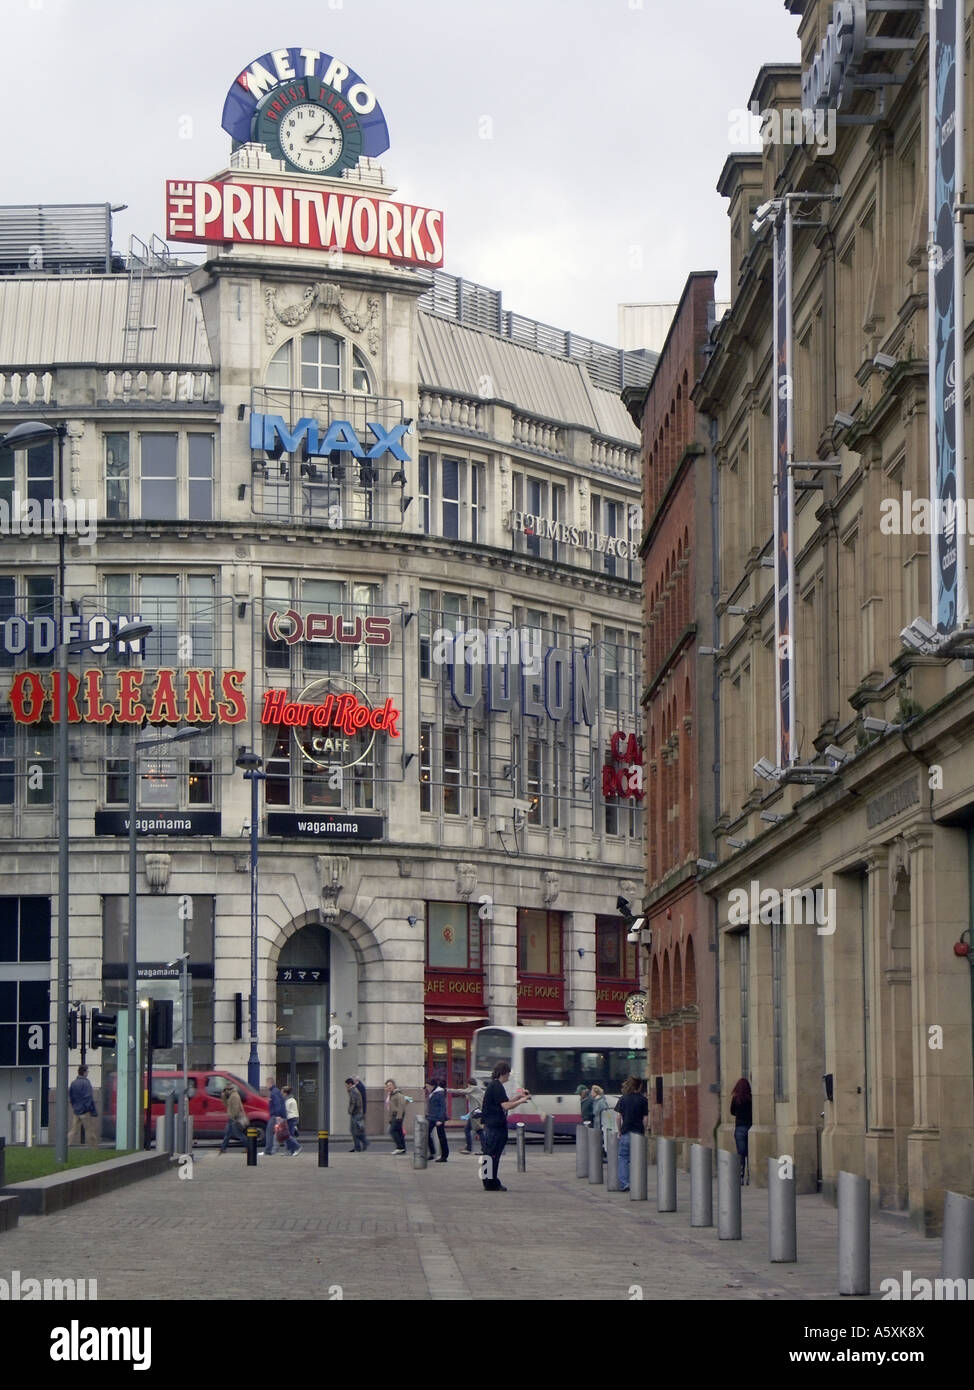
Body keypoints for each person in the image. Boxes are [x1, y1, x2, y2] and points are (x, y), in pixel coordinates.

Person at [480, 1061, 531, 1191]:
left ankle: (487, 1181)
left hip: (491, 1125)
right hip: (495, 1126)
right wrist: (522, 1100)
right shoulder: (497, 1086)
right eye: (508, 1073)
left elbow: (504, 1101)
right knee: (493, 1155)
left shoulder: (494, 1085)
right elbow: (506, 1106)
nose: (509, 1076)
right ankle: (492, 1183)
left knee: (488, 1154)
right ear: (504, 1073)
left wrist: (518, 1097)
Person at [614, 1076, 649, 1192]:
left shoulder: (623, 1098)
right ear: (639, 1086)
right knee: (637, 1158)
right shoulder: (643, 1100)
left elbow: (618, 1117)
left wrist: (619, 1131)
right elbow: (645, 1118)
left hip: (626, 1132)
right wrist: (644, 1130)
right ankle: (637, 1182)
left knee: (623, 1158)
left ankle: (625, 1183)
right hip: (638, 1133)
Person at [264, 1078, 300, 1156]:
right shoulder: (285, 1098)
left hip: (289, 1118)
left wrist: (278, 1115)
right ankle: (289, 1150)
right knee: (283, 1134)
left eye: (282, 1092)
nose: (281, 1093)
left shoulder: (288, 1100)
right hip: (286, 1117)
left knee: (285, 1134)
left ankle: (295, 1147)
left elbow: (281, 1107)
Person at [451, 1077, 485, 1154]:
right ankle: (476, 1148)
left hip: (476, 1114)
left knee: (475, 1130)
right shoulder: (477, 1091)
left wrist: (449, 1090)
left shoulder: (473, 1089)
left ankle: (470, 1148)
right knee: (477, 1130)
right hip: (476, 1113)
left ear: (469, 1084)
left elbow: (461, 1091)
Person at [68, 1065, 98, 1148]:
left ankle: (65, 1145)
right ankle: (94, 1147)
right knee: (89, 1130)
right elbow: (88, 1097)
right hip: (85, 1111)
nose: (88, 1073)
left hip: (76, 1110)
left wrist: (75, 1106)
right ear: (84, 1072)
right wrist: (90, 1109)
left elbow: (71, 1096)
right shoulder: (86, 1083)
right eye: (87, 1071)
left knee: (73, 1130)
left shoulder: (73, 1083)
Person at [730, 1077, 752, 1184]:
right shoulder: (750, 1098)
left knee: (741, 1153)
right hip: (750, 1126)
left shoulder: (736, 1098)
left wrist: (739, 1115)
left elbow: (732, 1111)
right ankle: (749, 1175)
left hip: (739, 1127)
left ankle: (741, 1175)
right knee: (749, 1153)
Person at [218, 1082, 249, 1153]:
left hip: (234, 1118)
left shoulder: (234, 1096)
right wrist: (223, 1097)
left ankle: (248, 1147)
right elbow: (226, 1105)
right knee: (227, 1134)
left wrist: (233, 1117)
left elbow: (236, 1108)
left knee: (239, 1134)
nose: (225, 1091)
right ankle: (223, 1148)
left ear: (229, 1089)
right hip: (231, 1117)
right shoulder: (231, 1096)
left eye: (225, 1090)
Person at [426, 1077, 449, 1161]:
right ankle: (432, 1152)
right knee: (426, 1133)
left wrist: (440, 1119)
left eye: (427, 1086)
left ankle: (444, 1156)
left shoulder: (439, 1093)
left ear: (432, 1085)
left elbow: (443, 1107)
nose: (427, 1088)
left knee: (441, 1136)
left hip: (438, 1118)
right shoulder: (433, 1092)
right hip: (432, 1117)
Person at [384, 1078, 407, 1154]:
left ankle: (399, 1147)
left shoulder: (398, 1094)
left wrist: (399, 1116)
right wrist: (390, 1118)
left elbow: (401, 1105)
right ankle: (403, 1148)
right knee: (399, 1131)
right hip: (394, 1115)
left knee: (392, 1131)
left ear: (394, 1085)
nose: (389, 1087)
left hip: (397, 1115)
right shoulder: (391, 1094)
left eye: (390, 1085)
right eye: (387, 1085)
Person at [346, 1077, 369, 1151]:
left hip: (356, 1113)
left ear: (350, 1084)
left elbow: (354, 1102)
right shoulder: (353, 1090)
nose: (346, 1086)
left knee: (355, 1131)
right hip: (357, 1112)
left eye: (346, 1085)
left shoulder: (353, 1091)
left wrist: (350, 1111)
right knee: (354, 1130)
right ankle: (357, 1146)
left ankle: (364, 1142)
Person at [589, 1084, 609, 1152]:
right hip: (597, 1123)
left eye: (592, 1092)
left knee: (600, 1139)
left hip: (600, 1124)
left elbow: (605, 1112)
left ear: (596, 1092)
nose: (591, 1093)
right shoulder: (596, 1101)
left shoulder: (601, 1101)